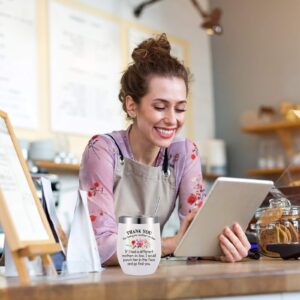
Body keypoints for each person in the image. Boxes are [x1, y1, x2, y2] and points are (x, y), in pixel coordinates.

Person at [79, 33, 250, 266]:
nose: (172, 120)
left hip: (149, 273)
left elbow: (195, 233)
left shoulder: (184, 154)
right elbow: (101, 248)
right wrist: (172, 244)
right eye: (160, 107)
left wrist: (220, 247)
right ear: (131, 106)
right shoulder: (102, 150)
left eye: (180, 109)